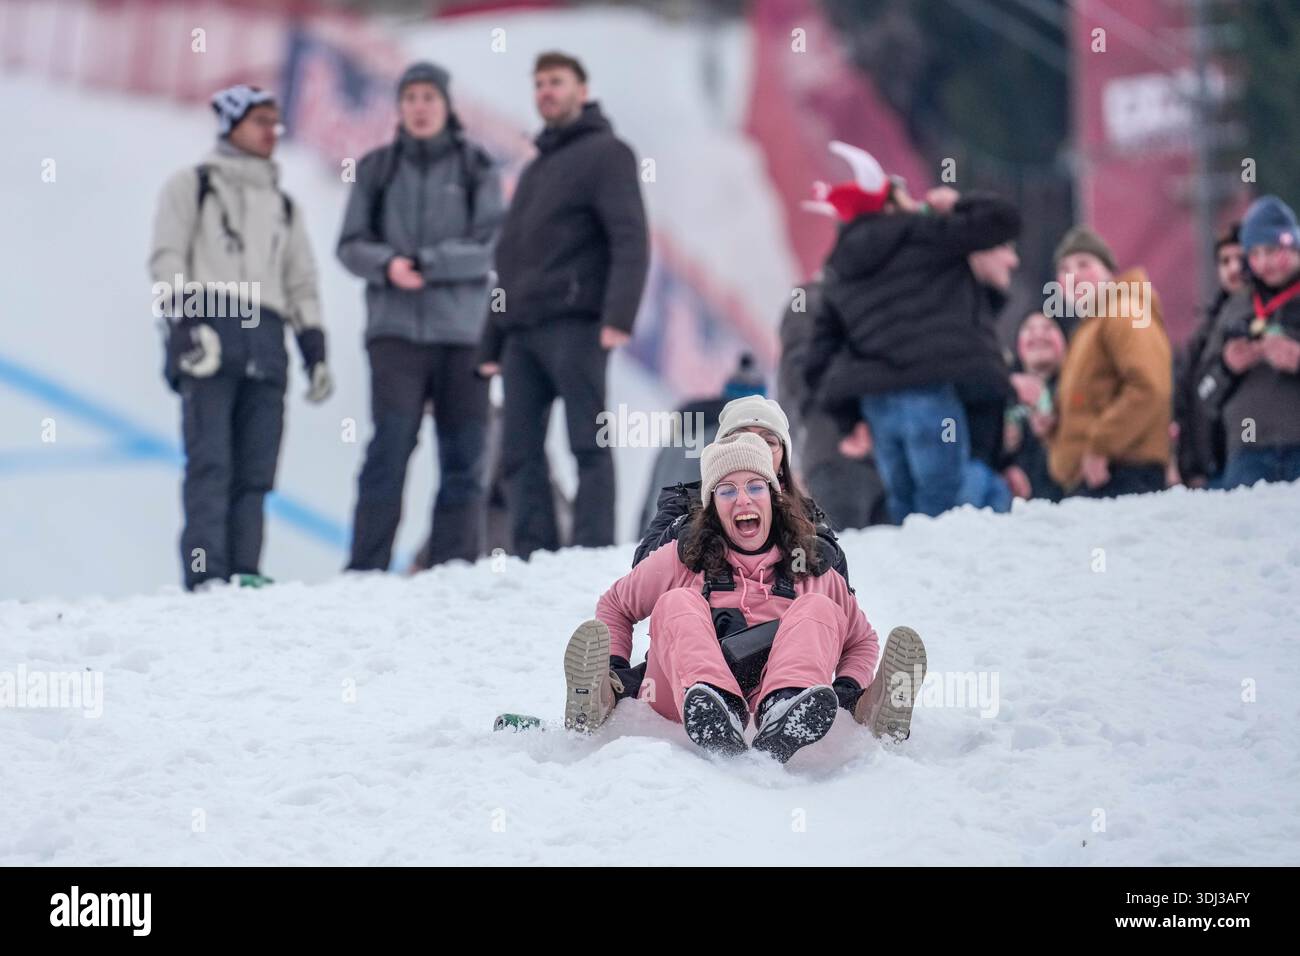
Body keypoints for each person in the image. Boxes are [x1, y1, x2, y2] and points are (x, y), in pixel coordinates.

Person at [561, 433, 927, 762]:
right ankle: (618, 696)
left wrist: (846, 689)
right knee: (677, 602)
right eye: (726, 490)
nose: (742, 499)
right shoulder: (682, 557)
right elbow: (616, 605)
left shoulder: (808, 566)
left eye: (754, 486)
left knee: (817, 608)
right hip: (681, 698)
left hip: (775, 700)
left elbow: (861, 640)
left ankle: (826, 709)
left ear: (772, 496)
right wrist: (616, 668)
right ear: (712, 507)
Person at [150, 84, 332, 591]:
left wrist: (314, 347)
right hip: (209, 335)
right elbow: (167, 259)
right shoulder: (192, 185)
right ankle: (207, 574)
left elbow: (301, 281)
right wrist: (185, 326)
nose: (272, 131)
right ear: (231, 124)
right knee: (211, 462)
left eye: (276, 122)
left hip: (267, 344)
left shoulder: (284, 207)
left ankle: (246, 571)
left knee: (256, 470)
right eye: (261, 121)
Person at [476, 51, 650, 559]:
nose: (546, 91)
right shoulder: (535, 169)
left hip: (579, 324)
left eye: (556, 82)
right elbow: (509, 260)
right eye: (540, 84)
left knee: (587, 444)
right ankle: (537, 554)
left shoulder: (608, 152)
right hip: (521, 332)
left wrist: (619, 316)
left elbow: (630, 238)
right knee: (516, 452)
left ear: (582, 89)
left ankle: (592, 552)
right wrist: (491, 340)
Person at [338, 62, 505, 571]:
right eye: (410, 97)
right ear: (400, 107)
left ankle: (453, 570)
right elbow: (349, 246)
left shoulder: (478, 167)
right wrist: (387, 265)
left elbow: (489, 247)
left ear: (446, 104)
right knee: (388, 448)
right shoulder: (376, 169)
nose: (420, 106)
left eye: (429, 96)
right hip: (394, 333)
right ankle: (366, 568)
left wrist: (428, 265)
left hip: (464, 334)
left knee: (464, 457)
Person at [804, 143, 1021, 523]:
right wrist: (955, 203)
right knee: (946, 508)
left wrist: (848, 421)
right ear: (889, 203)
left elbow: (817, 358)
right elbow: (1004, 221)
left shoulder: (838, 270)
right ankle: (998, 512)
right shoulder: (925, 231)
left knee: (906, 512)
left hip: (877, 405)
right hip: (931, 392)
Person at [1046, 226, 1172, 498]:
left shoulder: (1126, 312)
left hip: (1123, 475)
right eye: (1065, 269)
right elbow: (1088, 405)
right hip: (1097, 477)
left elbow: (1149, 387)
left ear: (1109, 273)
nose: (1074, 276)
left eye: (1084, 264)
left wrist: (1101, 446)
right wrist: (1052, 427)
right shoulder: (1088, 329)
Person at [1198, 196, 1300, 487]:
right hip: (1247, 457)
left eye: (1273, 250)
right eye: (1255, 253)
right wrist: (1227, 368)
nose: (1265, 262)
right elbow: (1203, 395)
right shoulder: (1236, 307)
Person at [778, 280, 888, 531]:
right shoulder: (810, 300)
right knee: (846, 554)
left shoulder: (813, 300)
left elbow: (796, 377)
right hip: (843, 457)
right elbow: (799, 373)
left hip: (853, 460)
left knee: (855, 557)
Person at [1174, 223, 1243, 488]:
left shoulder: (1279, 315)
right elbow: (1188, 399)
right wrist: (1190, 467)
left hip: (1253, 458)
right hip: (1213, 469)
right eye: (1225, 261)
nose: (1234, 269)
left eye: (1241, 258)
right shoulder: (1207, 328)